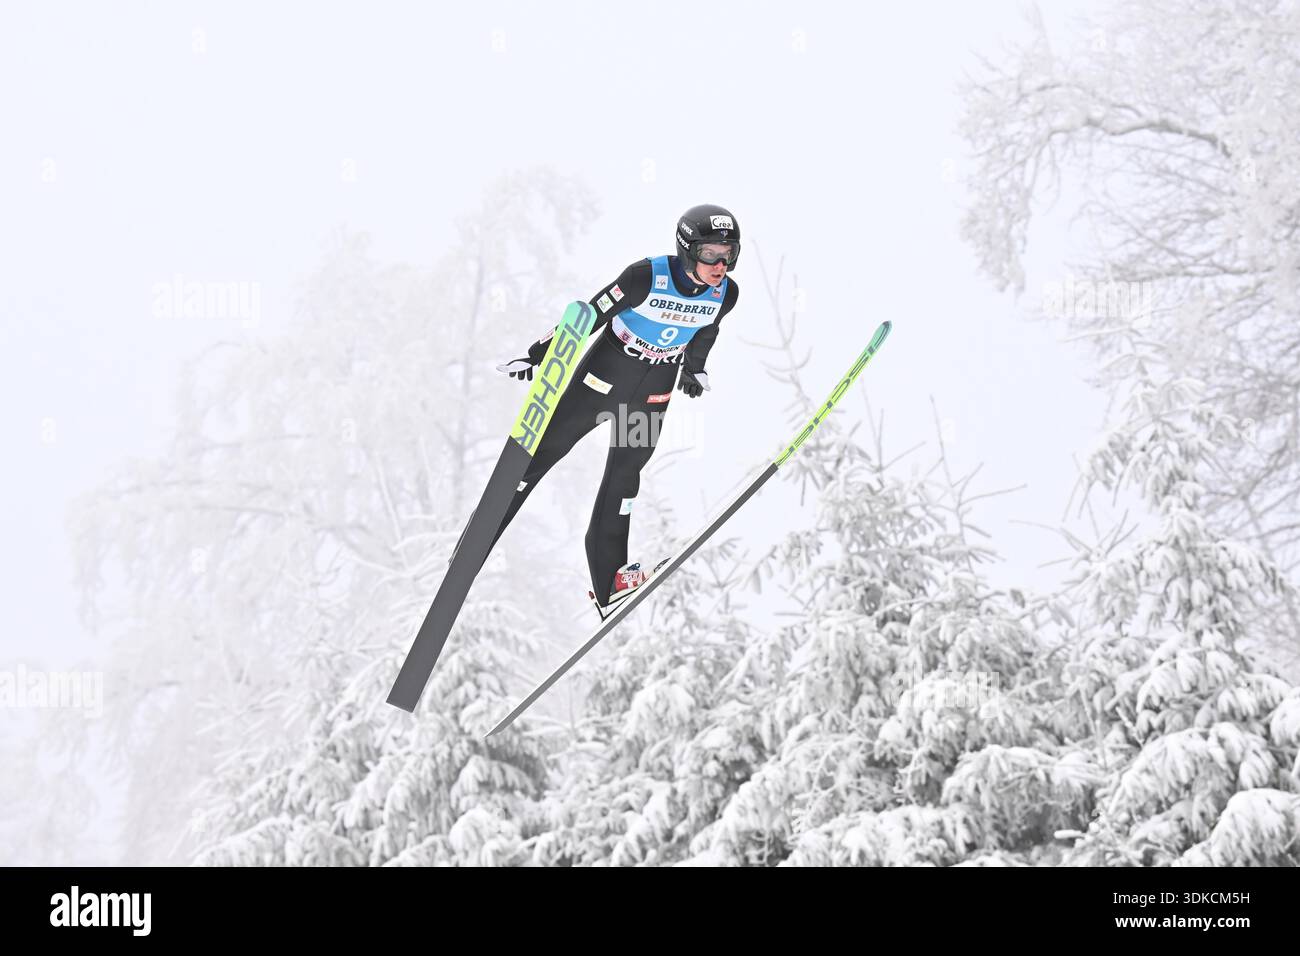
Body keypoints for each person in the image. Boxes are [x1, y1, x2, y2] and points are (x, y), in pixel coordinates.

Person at [491, 203, 742, 613]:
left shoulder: (725, 293)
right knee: (549, 448)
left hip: (654, 390)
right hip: (607, 374)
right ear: (687, 249)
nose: (720, 265)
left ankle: (610, 583)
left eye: (727, 254)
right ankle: (483, 537)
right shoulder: (645, 277)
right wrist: (538, 354)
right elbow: (589, 315)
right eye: (710, 253)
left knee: (625, 476)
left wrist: (694, 368)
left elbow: (706, 330)